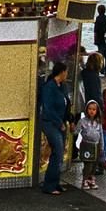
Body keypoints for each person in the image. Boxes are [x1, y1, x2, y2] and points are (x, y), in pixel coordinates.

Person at [37, 62, 70, 195]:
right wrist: (59, 122)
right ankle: (49, 185)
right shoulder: (49, 87)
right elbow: (48, 108)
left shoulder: (61, 86)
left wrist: (69, 120)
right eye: (66, 71)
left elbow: (66, 103)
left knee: (59, 153)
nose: (67, 74)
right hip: (50, 123)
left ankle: (55, 182)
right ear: (61, 72)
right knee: (57, 151)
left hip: (60, 122)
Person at [76, 98, 105, 190]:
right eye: (90, 109)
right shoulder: (83, 121)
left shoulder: (98, 123)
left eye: (94, 109)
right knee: (88, 163)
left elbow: (101, 135)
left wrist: (101, 147)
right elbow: (77, 131)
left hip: (96, 145)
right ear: (86, 110)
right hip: (87, 145)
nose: (91, 111)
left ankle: (91, 177)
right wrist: (73, 130)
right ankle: (85, 179)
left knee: (95, 163)